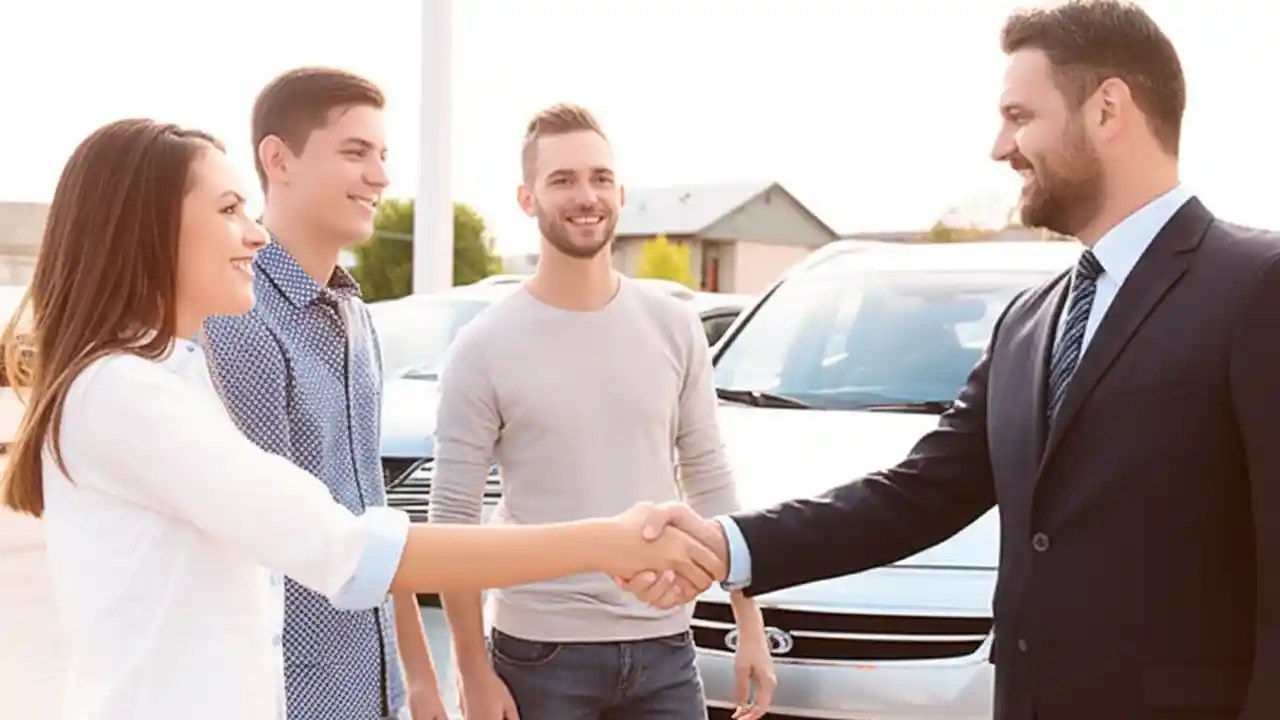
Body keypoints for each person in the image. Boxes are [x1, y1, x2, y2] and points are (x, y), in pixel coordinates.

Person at [622, 2, 1280, 719]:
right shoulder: (1029, 321)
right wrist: (728, 544)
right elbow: (918, 496)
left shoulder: (1257, 287)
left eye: (1020, 115)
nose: (1002, 147)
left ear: (1108, 109)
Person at [0, 117, 724, 720]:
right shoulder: (126, 396)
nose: (254, 235)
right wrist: (608, 541)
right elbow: (354, 550)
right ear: (149, 229)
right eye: (228, 210)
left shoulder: (171, 376)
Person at [428, 103, 776, 720]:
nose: (584, 195)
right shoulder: (483, 347)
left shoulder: (674, 326)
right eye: (561, 180)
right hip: (540, 655)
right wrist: (470, 670)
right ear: (527, 198)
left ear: (620, 191)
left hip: (667, 648)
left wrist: (749, 619)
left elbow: (708, 474)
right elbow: (451, 524)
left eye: (599, 178)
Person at [198, 66, 441, 720]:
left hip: (376, 687)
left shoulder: (355, 315)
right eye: (355, 153)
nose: (381, 177)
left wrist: (418, 681)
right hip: (291, 697)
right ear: (278, 160)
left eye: (383, 156)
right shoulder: (238, 318)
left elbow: (376, 519)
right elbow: (257, 549)